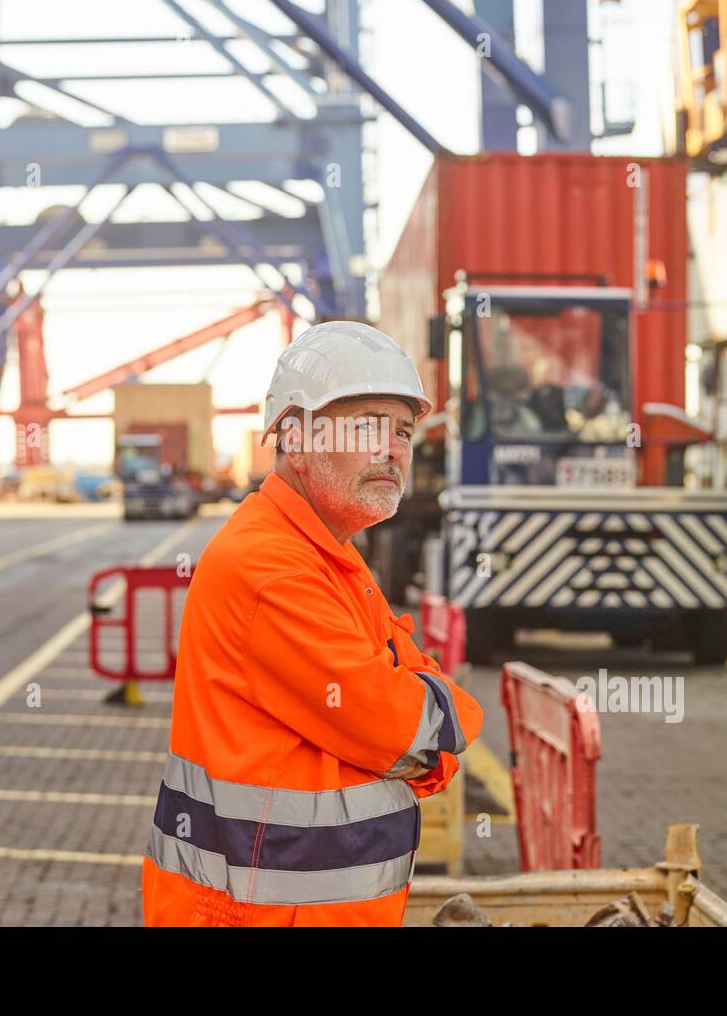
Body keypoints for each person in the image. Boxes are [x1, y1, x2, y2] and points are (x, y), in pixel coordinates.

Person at [141, 321, 483, 927]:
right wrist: (437, 715)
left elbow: (403, 694)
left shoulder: (327, 554)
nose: (393, 449)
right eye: (367, 427)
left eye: (402, 431)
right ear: (293, 438)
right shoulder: (272, 567)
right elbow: (406, 728)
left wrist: (414, 702)